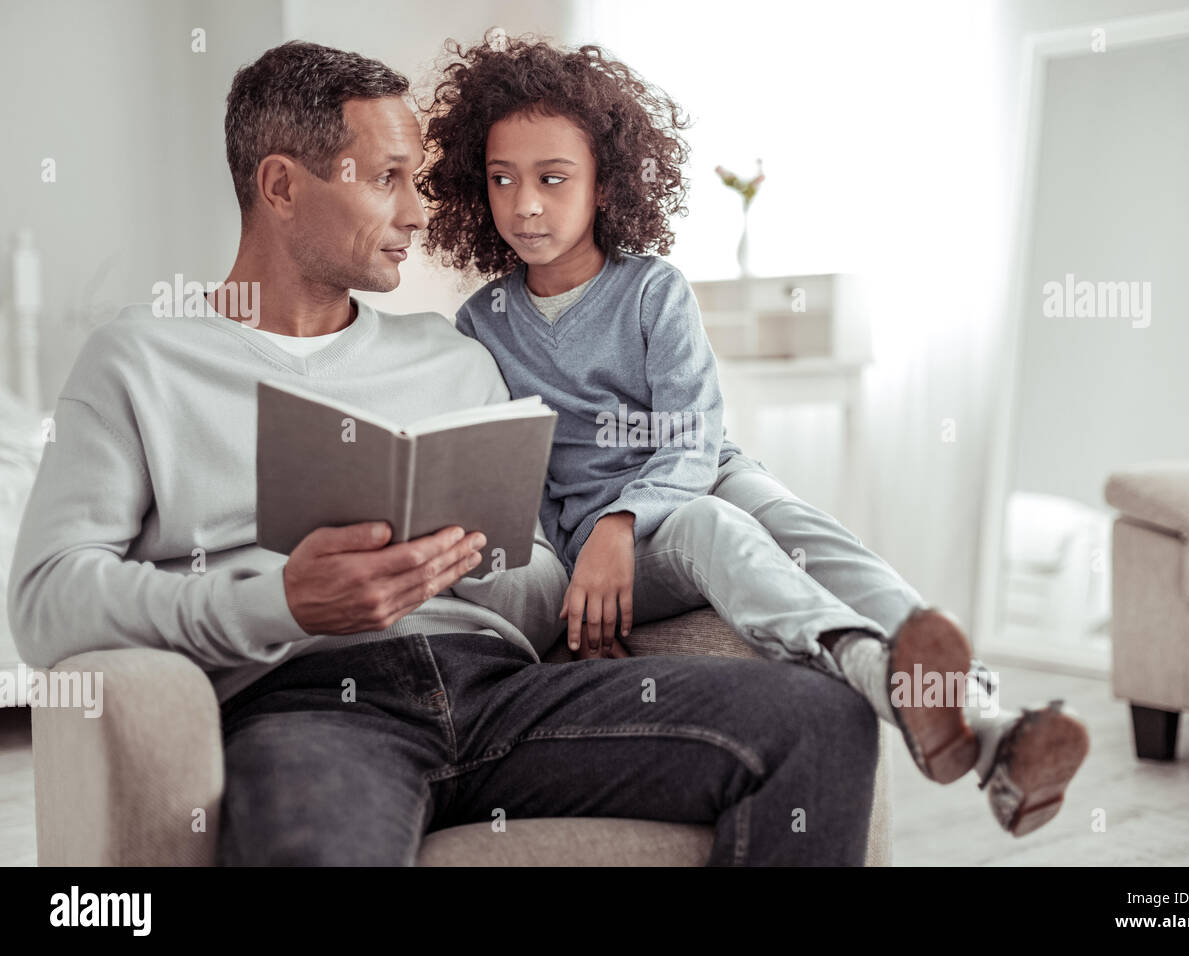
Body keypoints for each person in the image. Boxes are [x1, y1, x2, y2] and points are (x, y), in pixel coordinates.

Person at [7, 40, 888, 865]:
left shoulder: (453, 355)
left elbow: (542, 576)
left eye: (417, 180)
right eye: (387, 180)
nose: (418, 213)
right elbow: (46, 603)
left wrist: (463, 564)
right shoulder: (141, 360)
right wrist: (281, 600)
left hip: (501, 690)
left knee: (821, 720)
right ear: (281, 186)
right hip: (310, 709)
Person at [420, 33, 1088, 837]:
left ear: (603, 185)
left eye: (553, 179)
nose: (525, 203)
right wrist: (592, 556)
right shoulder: (481, 325)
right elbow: (516, 477)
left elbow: (694, 438)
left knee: (801, 525)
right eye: (502, 179)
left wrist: (624, 516)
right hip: (630, 539)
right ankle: (878, 673)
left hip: (692, 471)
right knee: (711, 526)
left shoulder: (651, 289)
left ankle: (985, 721)